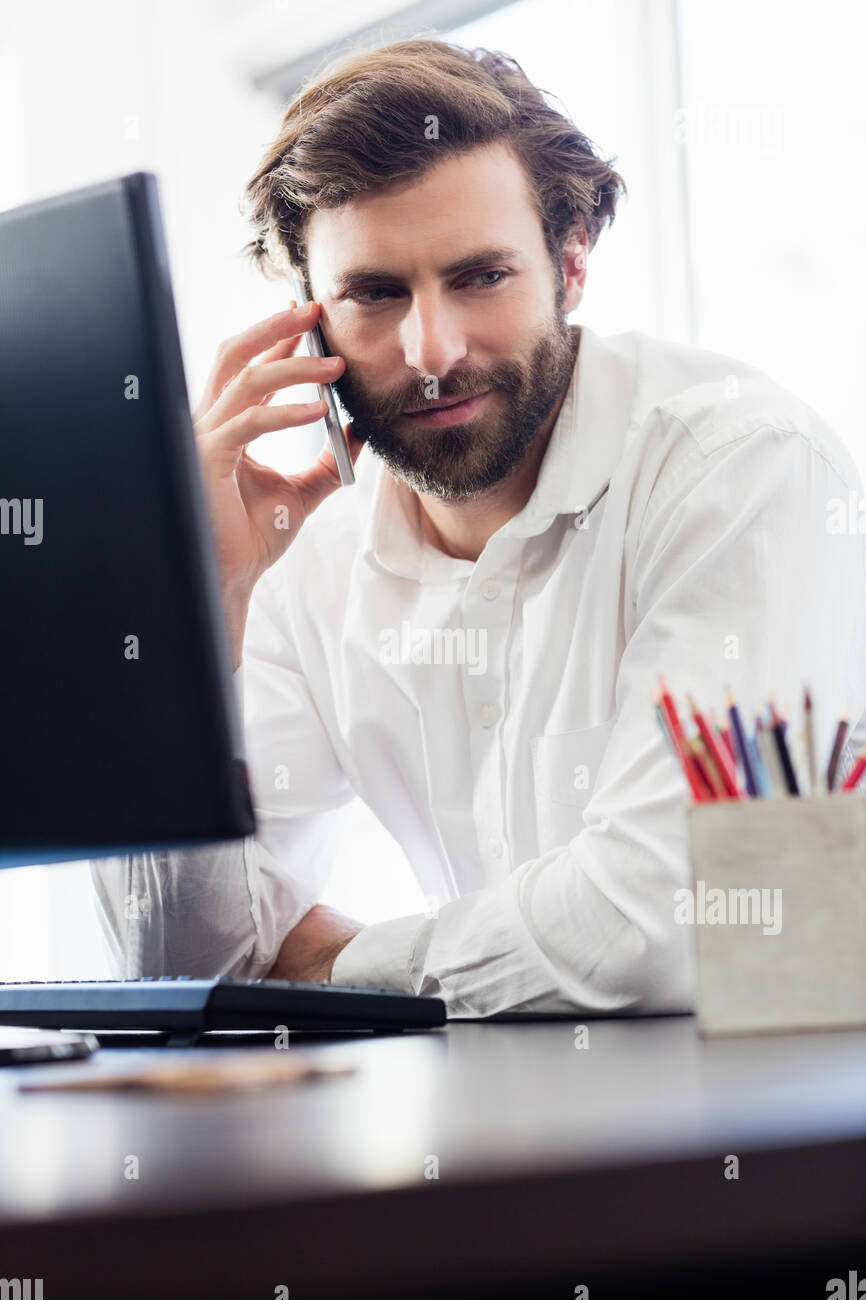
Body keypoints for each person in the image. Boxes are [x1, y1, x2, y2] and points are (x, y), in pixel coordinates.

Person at [91, 40, 866, 1018]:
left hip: (776, 1135)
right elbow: (180, 961)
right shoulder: (300, 552)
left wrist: (339, 969)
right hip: (499, 1133)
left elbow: (664, 924)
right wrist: (200, 618)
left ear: (570, 260)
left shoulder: (741, 470)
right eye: (375, 293)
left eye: (478, 277)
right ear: (307, 319)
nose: (430, 351)